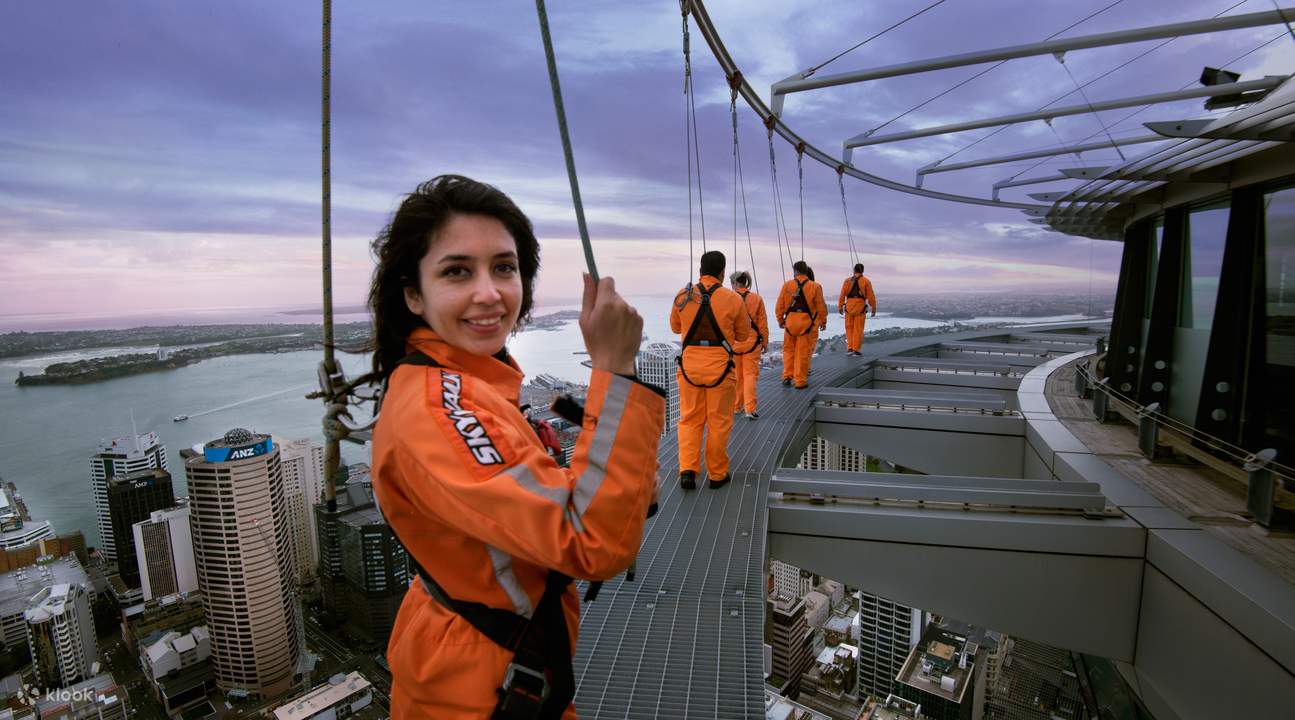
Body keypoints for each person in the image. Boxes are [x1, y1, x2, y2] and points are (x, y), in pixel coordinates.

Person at [368, 175, 665, 718]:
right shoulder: (439, 411)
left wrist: (621, 484)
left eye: (503, 267)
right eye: (457, 271)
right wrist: (615, 368)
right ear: (413, 294)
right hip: (475, 693)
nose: (489, 293)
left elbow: (538, 511)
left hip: (493, 668)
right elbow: (592, 543)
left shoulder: (473, 385)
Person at [669, 250, 751, 489]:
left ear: (700, 270)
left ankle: (687, 470)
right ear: (723, 273)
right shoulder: (733, 299)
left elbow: (675, 328)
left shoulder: (683, 295)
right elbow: (743, 335)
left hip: (690, 370)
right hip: (720, 371)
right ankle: (716, 474)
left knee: (689, 420)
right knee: (718, 422)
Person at [775, 260, 827, 389]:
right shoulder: (815, 286)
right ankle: (800, 381)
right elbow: (821, 307)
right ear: (806, 271)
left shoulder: (787, 285)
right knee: (802, 353)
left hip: (790, 324)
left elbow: (779, 305)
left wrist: (780, 320)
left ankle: (787, 376)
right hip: (806, 325)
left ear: (795, 271)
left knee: (788, 350)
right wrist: (823, 321)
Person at [730, 270, 768, 420]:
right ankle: (750, 409)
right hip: (752, 343)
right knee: (750, 375)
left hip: (734, 343)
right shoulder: (756, 299)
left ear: (735, 283)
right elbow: (762, 323)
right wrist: (765, 342)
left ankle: (736, 406)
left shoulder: (730, 298)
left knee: (737, 376)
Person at [838, 262, 877, 356]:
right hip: (860, 308)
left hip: (849, 307)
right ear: (862, 271)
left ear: (854, 270)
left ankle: (850, 348)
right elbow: (871, 296)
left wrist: (840, 306)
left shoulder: (847, 281)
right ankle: (856, 350)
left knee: (849, 328)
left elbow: (842, 294)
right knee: (858, 329)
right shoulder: (866, 281)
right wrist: (873, 308)